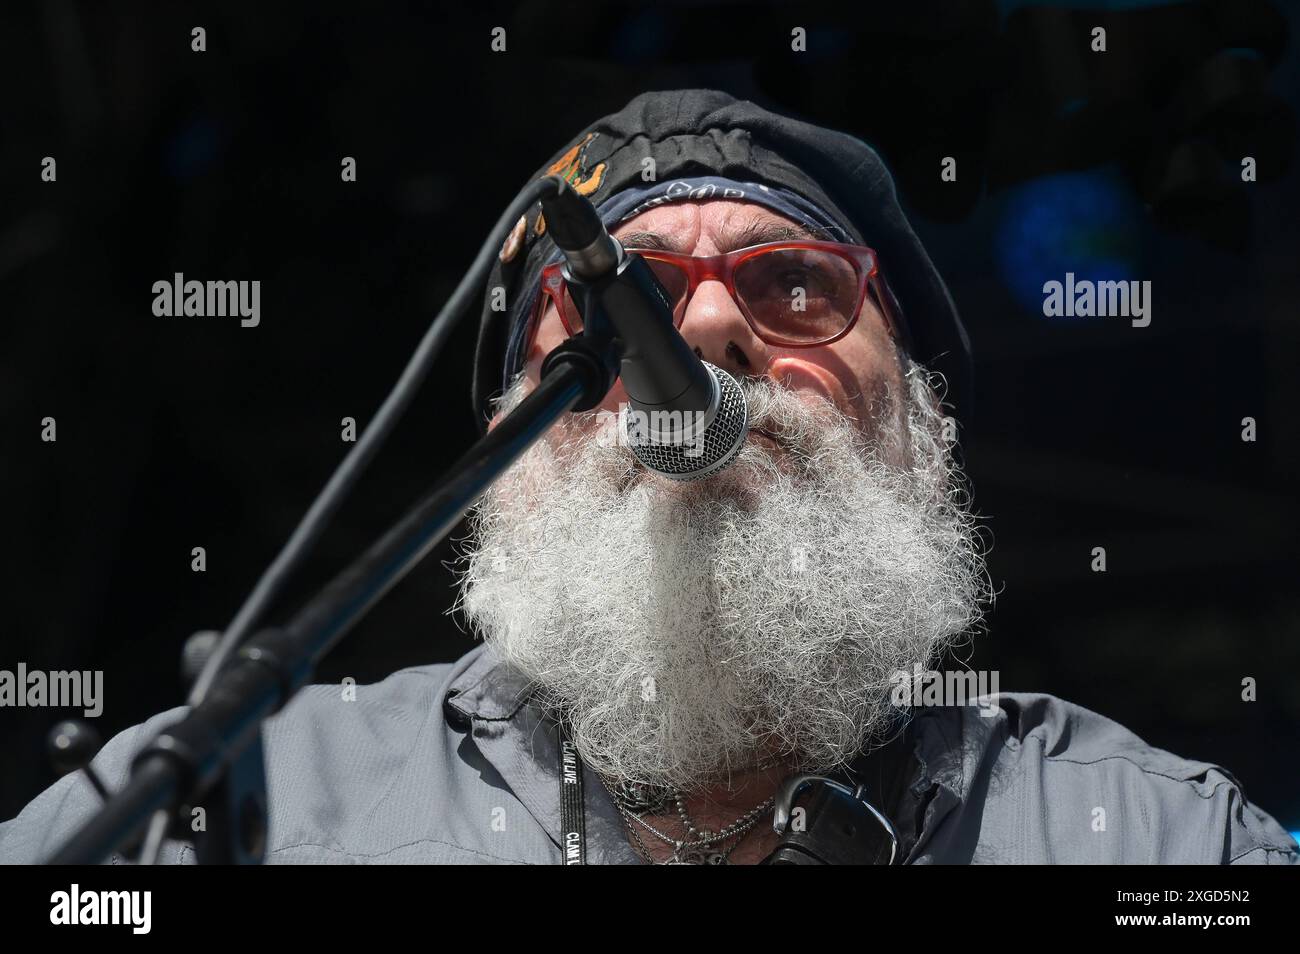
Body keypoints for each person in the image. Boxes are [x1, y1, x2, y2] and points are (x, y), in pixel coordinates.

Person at [2, 90, 1294, 865]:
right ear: (518, 436)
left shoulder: (1162, 843)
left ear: (920, 429)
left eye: (795, 287)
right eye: (626, 305)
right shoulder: (256, 810)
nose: (711, 333)